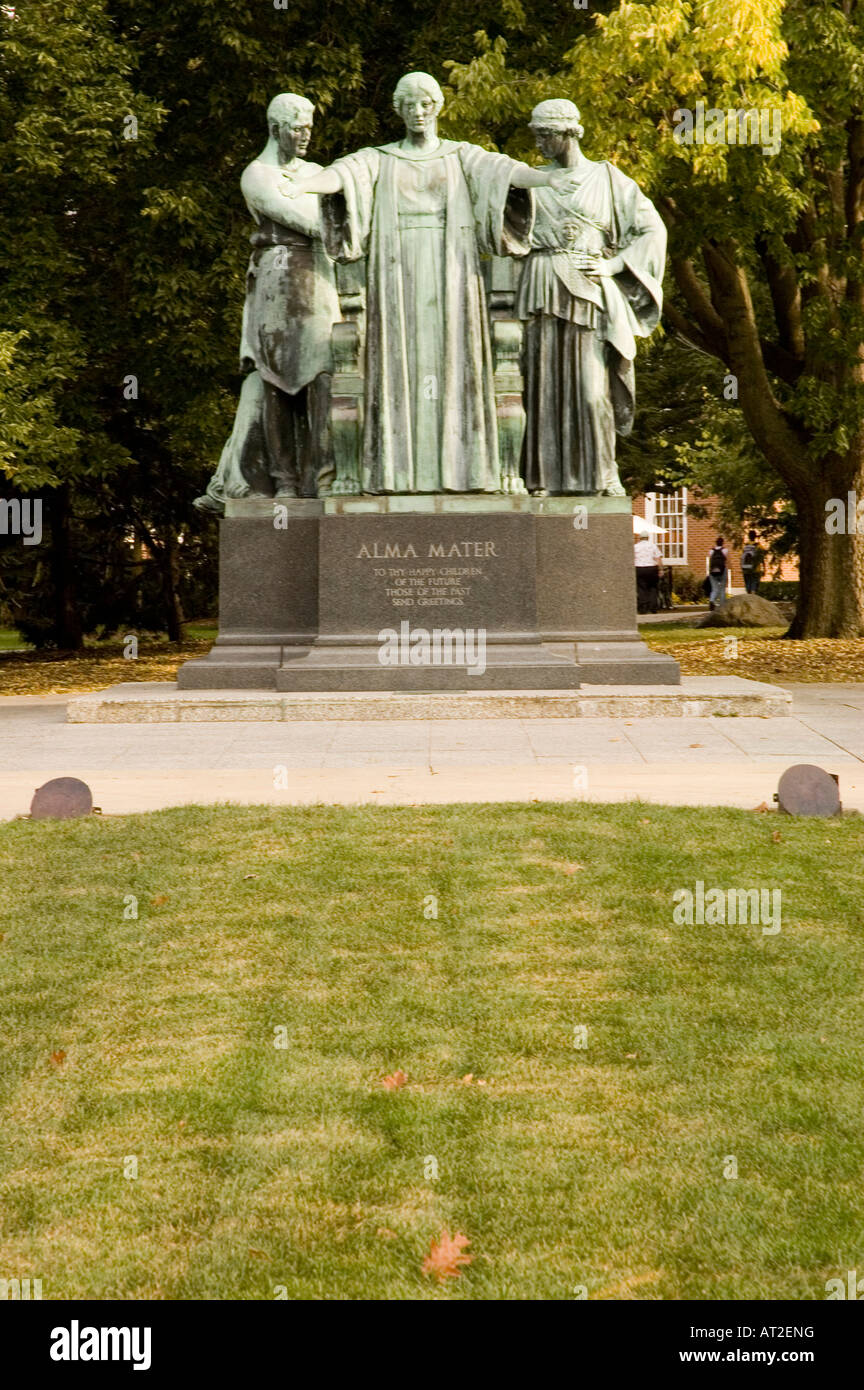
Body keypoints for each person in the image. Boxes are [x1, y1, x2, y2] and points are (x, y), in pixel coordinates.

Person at [282, 72, 574, 494]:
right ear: (399, 110)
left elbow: (505, 173)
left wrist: (547, 178)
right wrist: (305, 184)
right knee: (399, 364)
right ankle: (395, 473)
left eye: (425, 104)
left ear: (437, 107)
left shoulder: (461, 156)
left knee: (453, 364)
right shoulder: (379, 158)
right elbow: (343, 177)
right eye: (409, 105)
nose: (418, 112)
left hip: (452, 274)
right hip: (396, 274)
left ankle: (465, 471)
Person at [195, 93, 339, 514]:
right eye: (298, 128)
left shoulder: (316, 172)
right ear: (276, 130)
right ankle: (284, 479)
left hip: (320, 277)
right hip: (277, 276)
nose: (306, 136)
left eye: (310, 128)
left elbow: (335, 221)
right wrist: (332, 224)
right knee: (275, 378)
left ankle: (323, 476)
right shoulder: (256, 175)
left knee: (322, 375)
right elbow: (309, 221)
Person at [516, 99, 666, 497]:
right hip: (541, 284)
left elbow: (653, 231)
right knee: (542, 386)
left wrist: (617, 265)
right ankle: (541, 479)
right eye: (537, 135)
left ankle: (603, 473)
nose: (540, 143)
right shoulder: (531, 179)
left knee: (590, 389)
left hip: (587, 291)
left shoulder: (609, 179)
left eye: (545, 135)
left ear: (569, 133)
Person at [634, 532, 663, 613]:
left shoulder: (635, 547)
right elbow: (658, 558)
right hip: (651, 568)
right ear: (648, 538)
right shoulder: (653, 546)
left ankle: (643, 608)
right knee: (653, 588)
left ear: (639, 538)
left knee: (641, 588)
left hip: (639, 568)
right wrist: (660, 569)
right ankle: (653, 608)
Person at [707, 536, 728, 609]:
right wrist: (732, 571)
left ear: (716, 543)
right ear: (723, 543)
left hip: (712, 572)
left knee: (714, 588)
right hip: (722, 571)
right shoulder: (725, 550)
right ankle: (722, 605)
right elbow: (728, 562)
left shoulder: (711, 551)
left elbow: (710, 561)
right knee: (722, 589)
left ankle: (712, 600)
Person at [740, 529, 764, 594]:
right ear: (755, 537)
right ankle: (753, 594)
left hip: (746, 568)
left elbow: (741, 557)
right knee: (754, 582)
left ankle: (748, 594)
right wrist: (764, 568)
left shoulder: (744, 546)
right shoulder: (758, 546)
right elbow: (762, 557)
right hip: (755, 568)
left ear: (748, 536)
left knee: (747, 582)